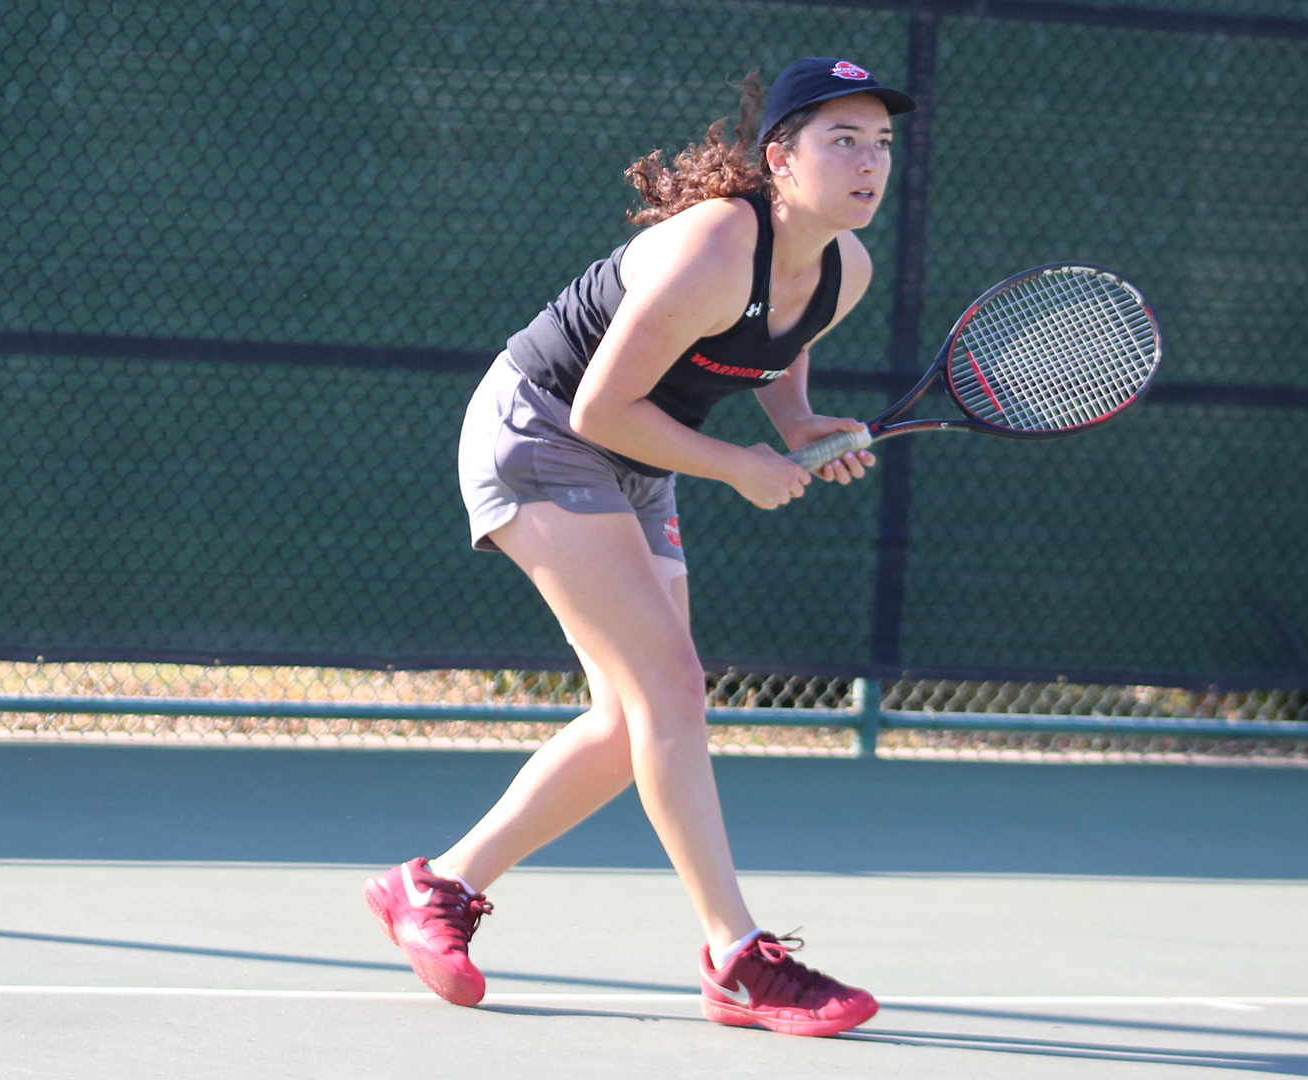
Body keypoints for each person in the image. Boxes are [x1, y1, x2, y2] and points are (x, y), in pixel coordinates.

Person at [364, 57, 913, 1039]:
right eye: (842, 140)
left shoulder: (845, 268)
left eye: (880, 143)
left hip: (635, 455)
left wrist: (793, 428)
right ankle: (739, 957)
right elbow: (598, 405)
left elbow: (777, 355)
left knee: (637, 720)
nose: (868, 162)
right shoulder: (711, 244)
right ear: (779, 159)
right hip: (539, 428)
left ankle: (435, 887)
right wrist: (739, 467)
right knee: (672, 686)